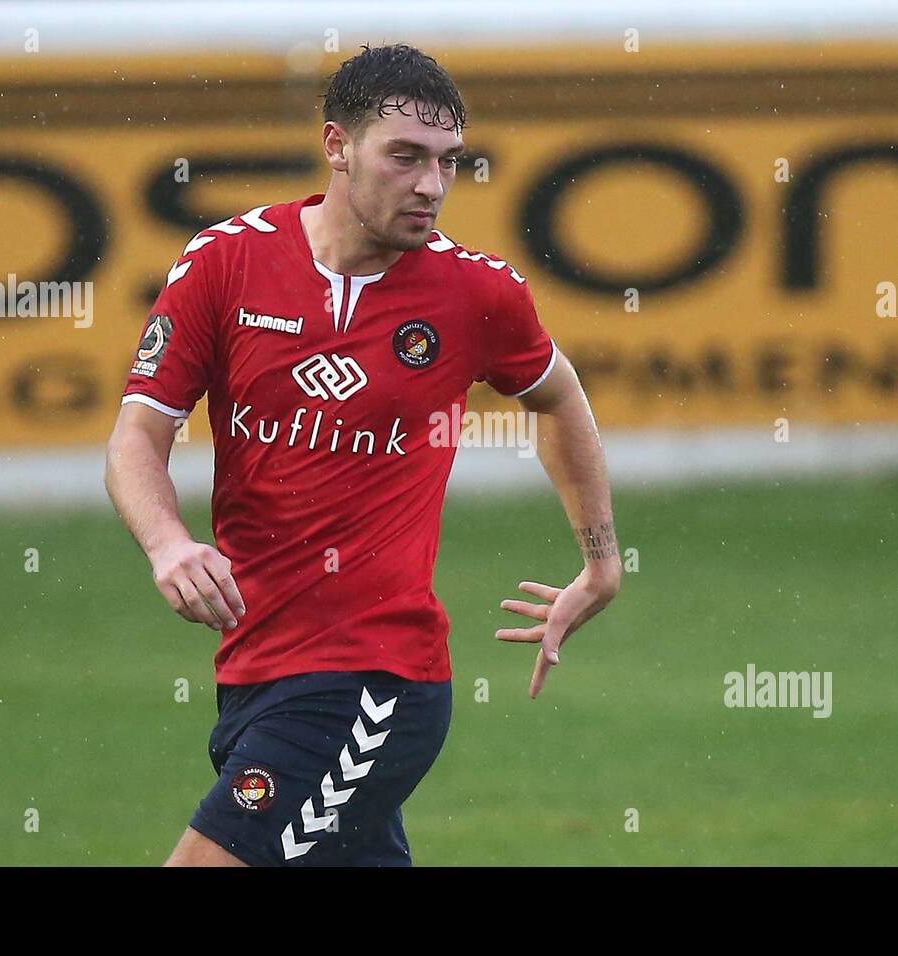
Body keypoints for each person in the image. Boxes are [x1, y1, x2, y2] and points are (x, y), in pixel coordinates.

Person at [104, 42, 620, 867]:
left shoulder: (477, 294)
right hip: (253, 668)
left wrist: (600, 560)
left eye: (449, 162)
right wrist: (168, 543)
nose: (430, 185)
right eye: (405, 157)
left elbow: (557, 395)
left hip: (373, 681)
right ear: (337, 146)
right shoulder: (227, 262)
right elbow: (139, 432)